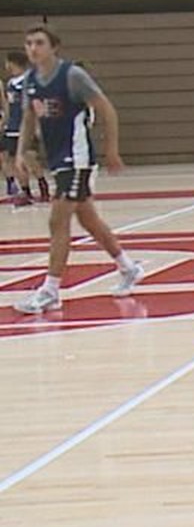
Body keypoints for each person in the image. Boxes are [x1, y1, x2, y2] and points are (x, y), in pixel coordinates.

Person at [12, 26, 146, 315]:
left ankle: (50, 290)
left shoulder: (72, 76)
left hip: (77, 158)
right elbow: (27, 119)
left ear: (53, 47)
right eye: (28, 43)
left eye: (38, 43)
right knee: (89, 220)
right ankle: (128, 267)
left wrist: (111, 149)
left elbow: (107, 110)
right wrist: (22, 151)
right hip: (57, 158)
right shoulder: (30, 81)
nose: (32, 48)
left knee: (57, 220)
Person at [4, 48, 48, 206]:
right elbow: (9, 106)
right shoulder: (10, 83)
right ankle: (25, 191)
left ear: (12, 63)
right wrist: (6, 123)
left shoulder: (29, 81)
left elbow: (36, 105)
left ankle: (43, 185)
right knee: (14, 160)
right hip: (12, 127)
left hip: (26, 127)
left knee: (30, 158)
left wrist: (37, 127)